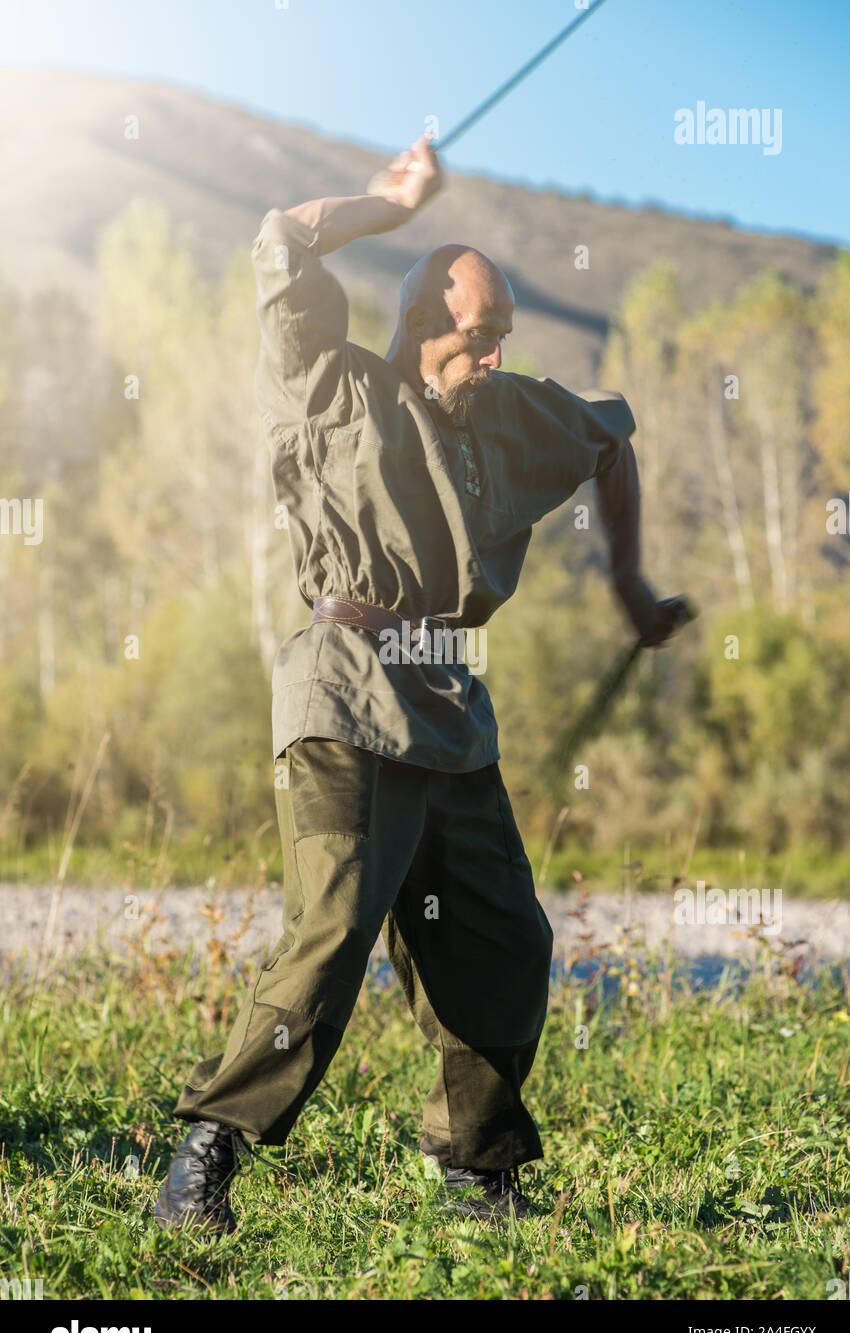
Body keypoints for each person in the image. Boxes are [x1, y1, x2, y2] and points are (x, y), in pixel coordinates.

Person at [153, 133, 677, 1234]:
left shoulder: (504, 412)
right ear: (421, 323)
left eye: (502, 336)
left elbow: (608, 440)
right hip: (342, 691)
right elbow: (284, 240)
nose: (493, 355)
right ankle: (206, 1152)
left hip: (450, 708)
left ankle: (474, 1169)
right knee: (335, 924)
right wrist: (388, 205)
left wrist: (628, 580)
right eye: (478, 336)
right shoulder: (328, 381)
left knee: (504, 940)